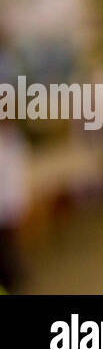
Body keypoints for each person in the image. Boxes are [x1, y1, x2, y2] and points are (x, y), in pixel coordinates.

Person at [0, 118, 31, 292]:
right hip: (8, 202)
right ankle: (14, 275)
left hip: (9, 202)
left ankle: (13, 277)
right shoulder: (12, 140)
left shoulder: (13, 140)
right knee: (7, 244)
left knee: (7, 243)